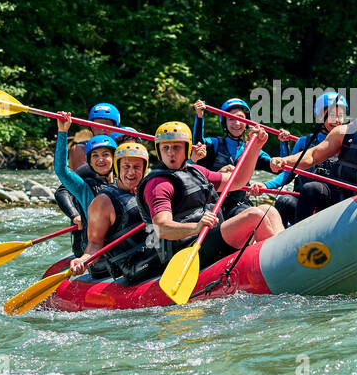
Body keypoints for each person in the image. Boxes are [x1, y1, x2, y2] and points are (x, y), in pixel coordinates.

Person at [138, 121, 284, 271]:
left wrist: (255, 147)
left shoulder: (197, 171)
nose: (170, 152)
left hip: (211, 235)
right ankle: (281, 266)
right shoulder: (157, 184)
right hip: (188, 247)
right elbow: (162, 228)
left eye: (176, 147)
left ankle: (287, 256)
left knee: (268, 209)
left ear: (187, 149)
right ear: (159, 150)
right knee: (254, 216)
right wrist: (196, 227)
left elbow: (238, 180)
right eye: (165, 148)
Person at [268, 82, 357, 223]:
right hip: (337, 197)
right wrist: (285, 161)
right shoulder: (345, 131)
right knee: (310, 189)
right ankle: (301, 239)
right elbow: (313, 155)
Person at [68, 140, 160, 284]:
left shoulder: (148, 190)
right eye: (126, 167)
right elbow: (94, 244)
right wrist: (83, 261)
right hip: (132, 264)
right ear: (117, 168)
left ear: (144, 169)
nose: (131, 172)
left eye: (137, 167)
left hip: (152, 250)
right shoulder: (103, 202)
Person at [256, 92, 348, 227]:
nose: (338, 120)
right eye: (332, 115)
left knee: (313, 188)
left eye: (340, 116)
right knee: (284, 201)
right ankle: (283, 238)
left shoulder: (347, 144)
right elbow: (287, 175)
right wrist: (265, 185)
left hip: (332, 203)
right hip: (304, 204)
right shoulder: (304, 142)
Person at [192, 97, 276, 218]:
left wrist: (265, 185)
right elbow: (198, 145)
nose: (236, 123)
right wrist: (200, 117)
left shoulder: (254, 149)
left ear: (247, 122)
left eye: (240, 119)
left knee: (250, 214)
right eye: (231, 119)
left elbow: (279, 169)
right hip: (213, 203)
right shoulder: (214, 143)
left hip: (240, 204)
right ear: (224, 122)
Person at [53, 127, 117, 256]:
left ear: (114, 158)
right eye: (95, 156)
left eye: (105, 154)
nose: (100, 159)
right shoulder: (84, 189)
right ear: (90, 162)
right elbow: (61, 170)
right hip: (100, 251)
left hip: (122, 244)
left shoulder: (124, 183)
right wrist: (62, 132)